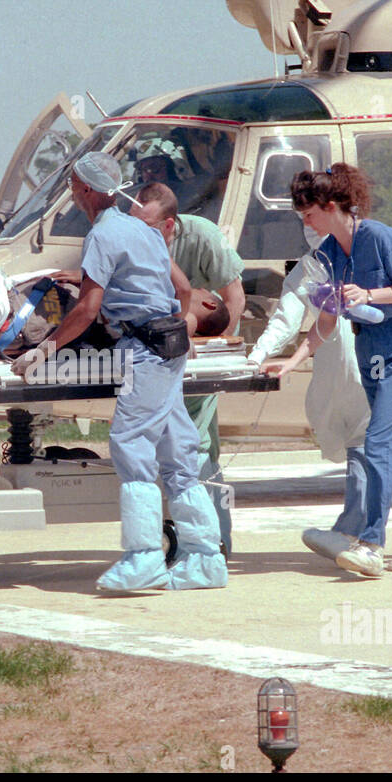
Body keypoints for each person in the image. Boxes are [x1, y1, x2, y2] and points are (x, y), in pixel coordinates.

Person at [11, 151, 228, 592]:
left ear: (85, 189)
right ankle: (206, 558)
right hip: (169, 348)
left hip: (145, 352)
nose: (72, 193)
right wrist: (172, 322)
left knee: (131, 445)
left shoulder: (103, 235)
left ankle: (144, 556)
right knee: (177, 454)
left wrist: (43, 350)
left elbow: (87, 309)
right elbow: (182, 287)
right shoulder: (143, 229)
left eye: (72, 186)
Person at [264, 164, 392, 579]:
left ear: (331, 206)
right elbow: (327, 321)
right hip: (371, 352)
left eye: (309, 214)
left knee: (379, 441)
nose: (305, 223)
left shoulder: (380, 237)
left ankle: (370, 545)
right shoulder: (329, 253)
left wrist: (370, 294)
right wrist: (290, 362)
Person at [134, 181, 245, 556]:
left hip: (196, 354)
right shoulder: (135, 240)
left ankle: (211, 542)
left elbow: (234, 298)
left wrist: (215, 354)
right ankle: (208, 540)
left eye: (149, 228)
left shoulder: (201, 236)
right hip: (162, 355)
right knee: (196, 447)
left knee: (195, 446)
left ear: (169, 225)